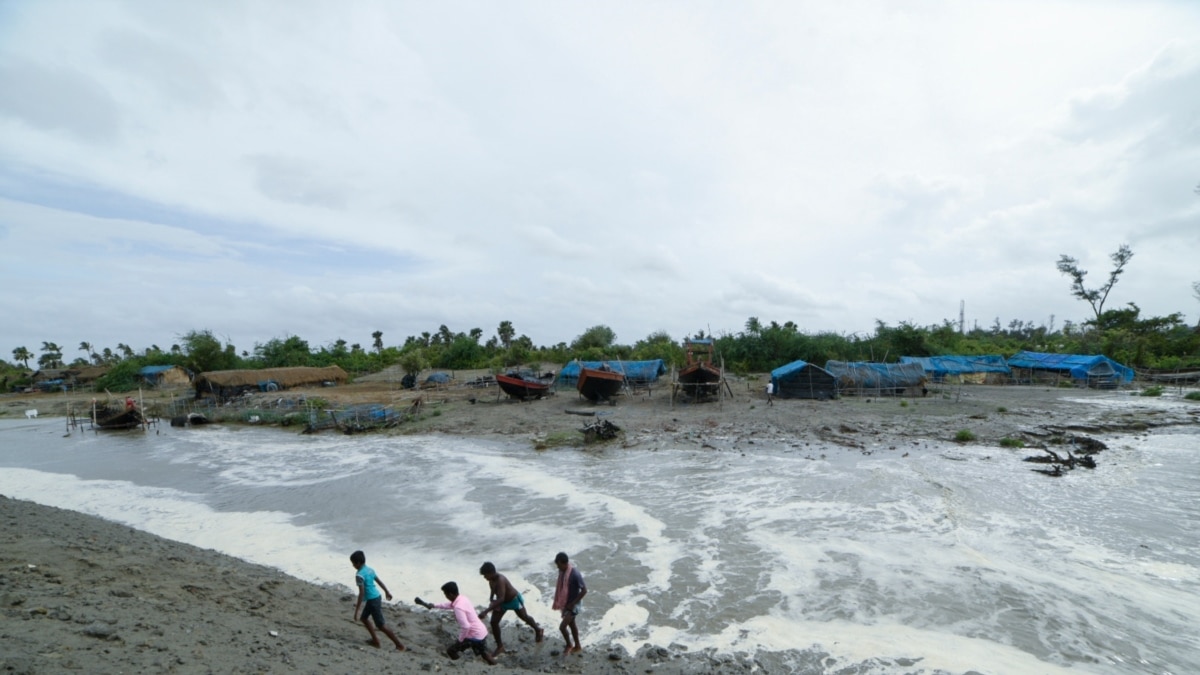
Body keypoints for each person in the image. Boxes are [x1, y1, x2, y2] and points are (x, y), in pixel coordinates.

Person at [416, 582, 497, 665]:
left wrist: (460, 640)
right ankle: (494, 664)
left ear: (450, 594)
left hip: (474, 635)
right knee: (484, 654)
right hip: (481, 631)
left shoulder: (458, 607)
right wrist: (434, 605)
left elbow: (466, 626)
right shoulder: (463, 598)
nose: (445, 596)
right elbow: (449, 605)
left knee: (451, 651)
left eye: (445, 594)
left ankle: (460, 666)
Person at [478, 561, 544, 657]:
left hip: (514, 600)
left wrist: (486, 611)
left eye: (485, 575)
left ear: (491, 573)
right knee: (494, 622)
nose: (485, 577)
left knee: (524, 617)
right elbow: (493, 590)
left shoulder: (500, 579)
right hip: (502, 603)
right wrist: (491, 599)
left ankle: (538, 630)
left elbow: (501, 598)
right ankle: (500, 646)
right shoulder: (491, 580)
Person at [349, 550, 406, 651]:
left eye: (353, 563)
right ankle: (375, 640)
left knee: (381, 625)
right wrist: (386, 592)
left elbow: (361, 593)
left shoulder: (359, 575)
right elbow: (379, 581)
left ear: (358, 563)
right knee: (364, 618)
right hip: (377, 596)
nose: (353, 566)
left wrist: (357, 610)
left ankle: (399, 645)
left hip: (372, 600)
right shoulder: (370, 570)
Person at [552, 552, 587, 657]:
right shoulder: (562, 572)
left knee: (562, 627)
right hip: (567, 603)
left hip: (573, 605)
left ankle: (569, 645)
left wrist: (573, 603)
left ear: (564, 563)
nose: (557, 567)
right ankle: (578, 645)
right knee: (572, 625)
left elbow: (584, 590)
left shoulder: (575, 574)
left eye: (558, 565)